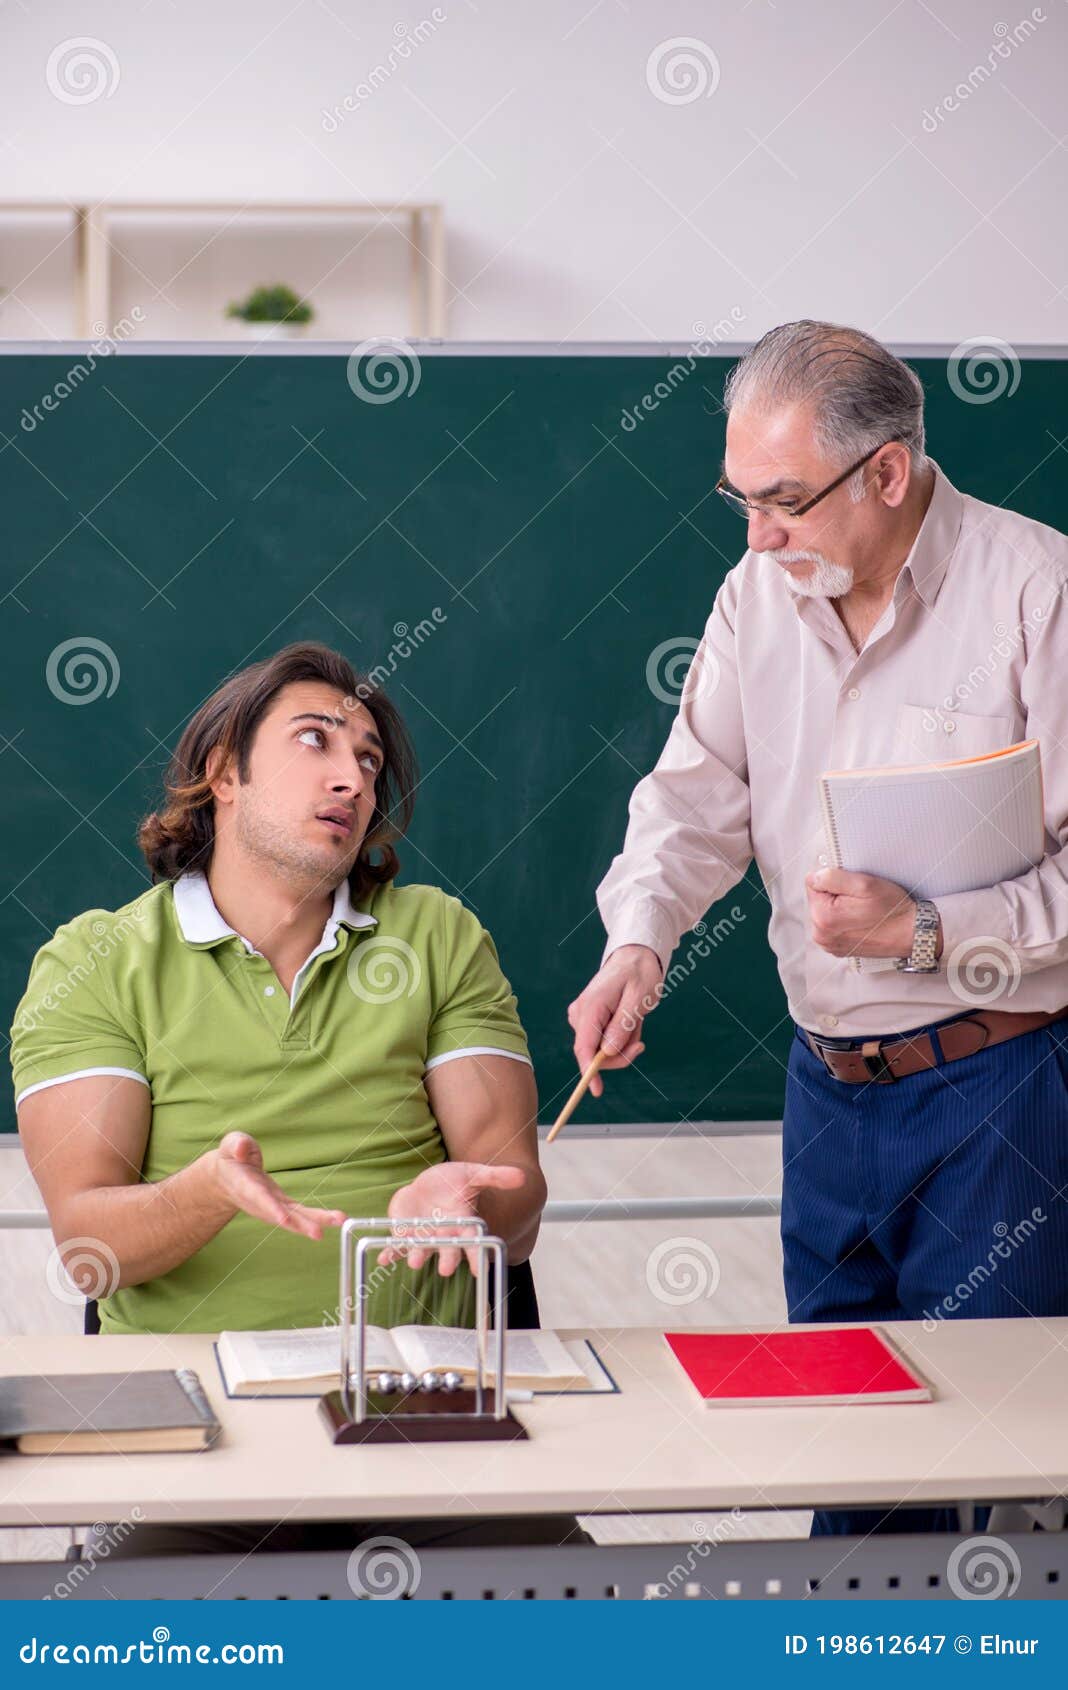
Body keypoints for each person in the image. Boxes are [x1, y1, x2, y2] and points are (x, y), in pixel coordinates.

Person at [569, 320, 1068, 1536]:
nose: (759, 536)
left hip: (1001, 1083)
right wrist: (638, 939)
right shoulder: (759, 592)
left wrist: (928, 929)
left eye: (784, 501)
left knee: (998, 1473)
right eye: (742, 500)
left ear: (887, 472)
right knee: (846, 1463)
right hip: (829, 1092)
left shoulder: (1035, 590)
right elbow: (692, 800)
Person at [12, 641, 576, 1555]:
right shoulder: (96, 963)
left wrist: (472, 1201)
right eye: (315, 740)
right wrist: (205, 1191)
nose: (351, 778)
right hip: (195, 1430)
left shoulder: (437, 937)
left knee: (577, 1630)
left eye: (367, 759)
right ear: (222, 772)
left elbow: (515, 1212)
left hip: (422, 1417)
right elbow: (89, 1249)